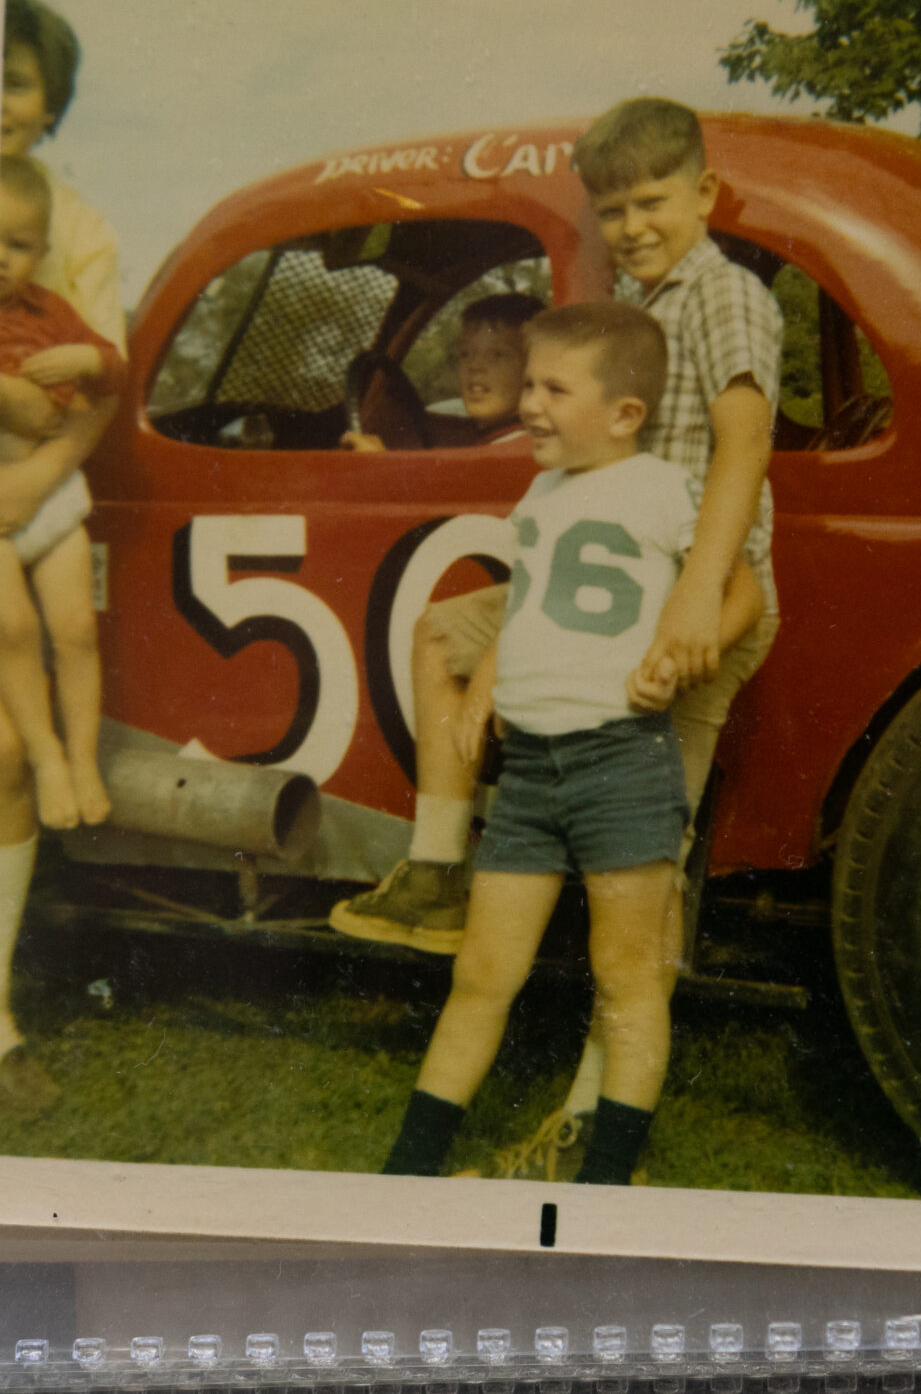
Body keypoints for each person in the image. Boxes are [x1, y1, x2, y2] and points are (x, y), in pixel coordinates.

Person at [336, 98, 783, 1178]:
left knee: (639, 892)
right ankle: (437, 864)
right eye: (613, 210)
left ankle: (589, 1127)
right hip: (615, 584)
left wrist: (697, 597)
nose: (632, 227)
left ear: (704, 195)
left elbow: (743, 443)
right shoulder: (638, 307)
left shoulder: (723, 293)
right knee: (448, 633)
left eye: (653, 202)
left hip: (690, 588)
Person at [380, 302, 762, 1185]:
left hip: (620, 761)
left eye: (554, 388)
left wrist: (684, 657)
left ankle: (606, 1180)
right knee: (482, 971)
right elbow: (530, 603)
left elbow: (741, 594)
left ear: (624, 413)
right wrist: (486, 682)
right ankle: (408, 1171)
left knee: (625, 977)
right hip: (531, 772)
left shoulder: (663, 487)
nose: (529, 404)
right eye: (528, 385)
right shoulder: (541, 494)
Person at [0, 0, 128, 1114]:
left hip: (12, 495)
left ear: (51, 106)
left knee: (5, 738)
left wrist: (33, 470)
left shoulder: (79, 227)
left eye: (15, 81)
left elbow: (100, 385)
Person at [0, 155, 122, 831]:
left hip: (52, 489)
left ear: (40, 254)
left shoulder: (51, 310)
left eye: (16, 245)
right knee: (13, 626)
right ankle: (46, 758)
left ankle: (83, 759)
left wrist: (87, 357)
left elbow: (114, 371)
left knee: (76, 630)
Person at [340, 291, 544, 452]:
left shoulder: (520, 446)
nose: (475, 366)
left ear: (534, 369)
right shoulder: (493, 439)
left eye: (497, 355)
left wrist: (382, 465)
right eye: (466, 354)